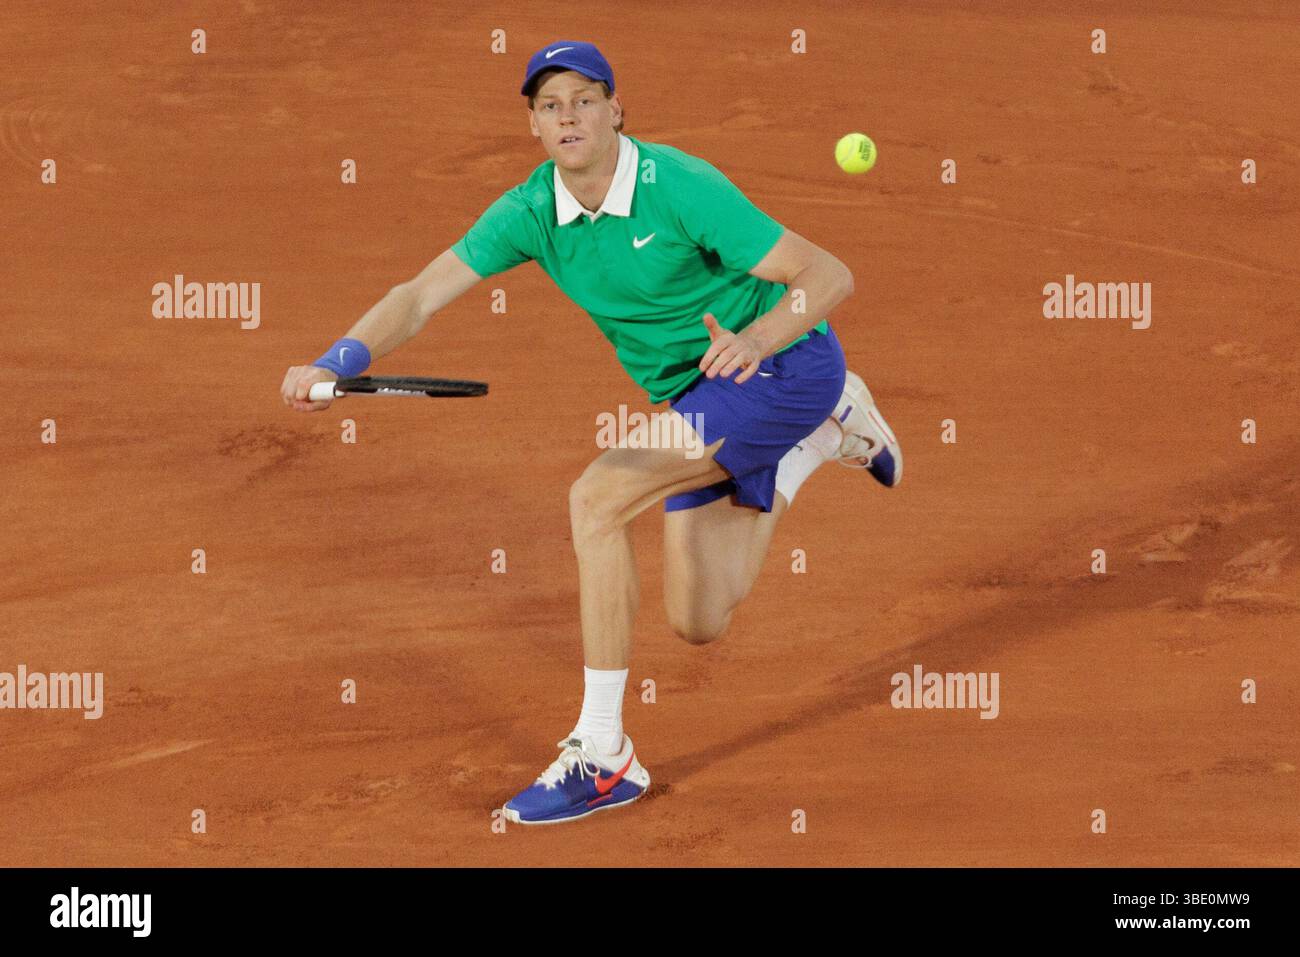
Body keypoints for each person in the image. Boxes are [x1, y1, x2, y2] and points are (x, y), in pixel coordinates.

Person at [280, 40, 902, 825]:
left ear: (616, 111)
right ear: (535, 126)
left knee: (598, 497)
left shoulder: (679, 185)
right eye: (549, 105)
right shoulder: (532, 211)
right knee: (699, 619)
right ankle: (816, 440)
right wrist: (335, 360)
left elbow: (829, 275)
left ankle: (604, 756)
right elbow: (420, 294)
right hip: (699, 395)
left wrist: (758, 338)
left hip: (780, 364)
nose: (567, 115)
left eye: (583, 98)